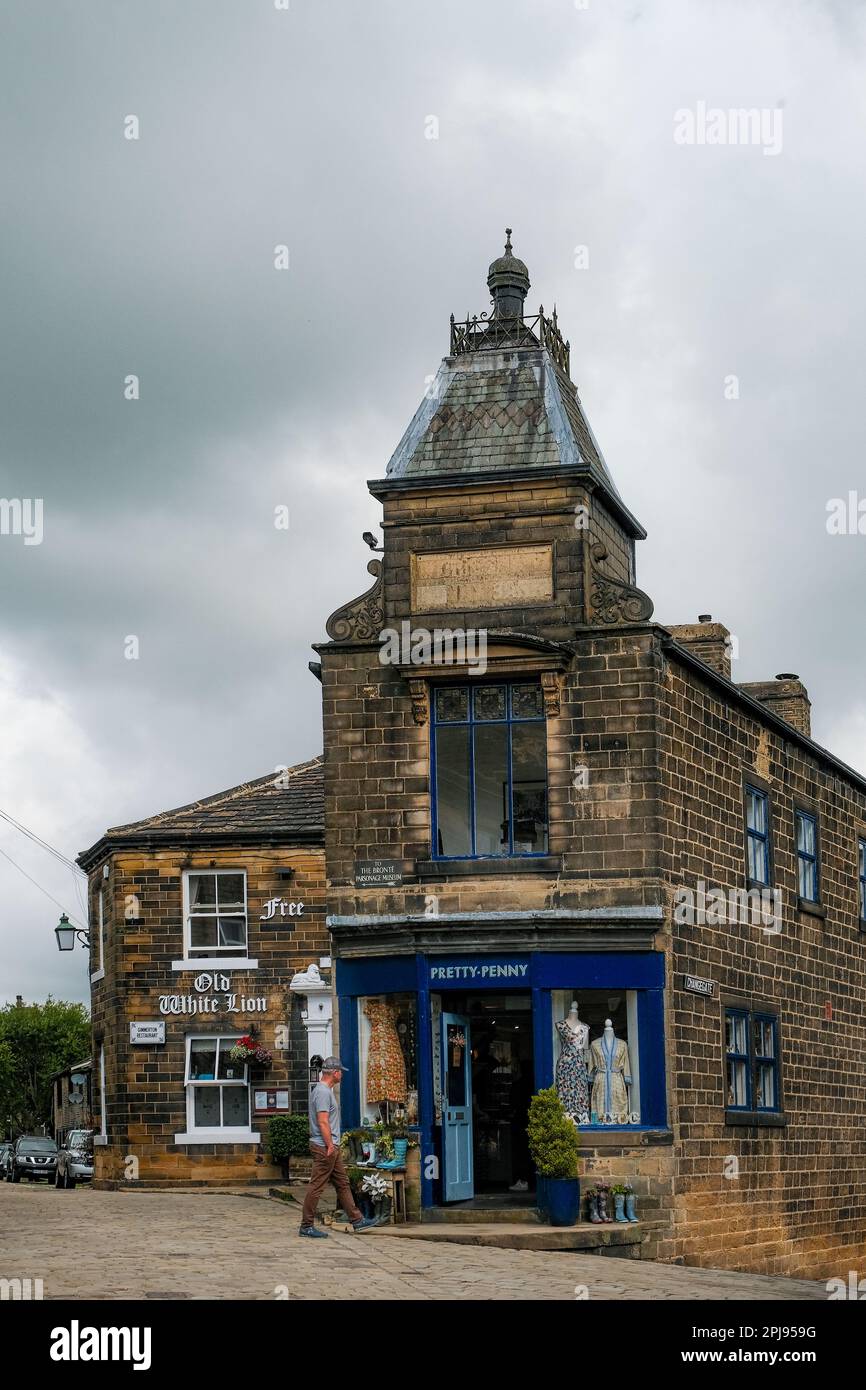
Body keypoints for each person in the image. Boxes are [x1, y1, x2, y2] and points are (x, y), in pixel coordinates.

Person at [299, 1057, 377, 1238]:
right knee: (317, 1186)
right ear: (334, 1073)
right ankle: (306, 1225)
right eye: (340, 1071)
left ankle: (357, 1220)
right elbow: (323, 1122)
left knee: (342, 1183)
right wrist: (330, 1146)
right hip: (325, 1147)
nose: (342, 1074)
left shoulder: (324, 1091)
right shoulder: (323, 1093)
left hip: (329, 1146)